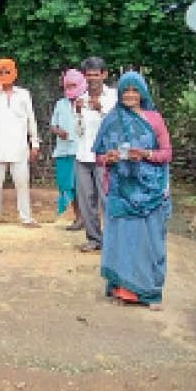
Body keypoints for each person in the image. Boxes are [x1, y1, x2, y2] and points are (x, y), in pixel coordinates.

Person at [92, 71, 171, 309]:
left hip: (150, 190)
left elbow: (167, 153)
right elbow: (97, 157)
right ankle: (124, 290)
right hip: (121, 190)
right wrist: (110, 158)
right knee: (123, 240)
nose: (130, 95)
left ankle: (149, 292)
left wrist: (145, 154)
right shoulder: (111, 119)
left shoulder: (154, 119)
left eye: (135, 90)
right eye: (125, 90)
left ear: (143, 93)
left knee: (149, 242)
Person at [0, 58, 40, 228]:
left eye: (7, 71)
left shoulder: (23, 94)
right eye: (0, 72)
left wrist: (35, 143)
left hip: (19, 147)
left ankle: (26, 218)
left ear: (14, 73)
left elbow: (31, 119)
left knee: (22, 183)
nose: (4, 75)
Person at [74, 57, 117, 252]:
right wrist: (77, 113)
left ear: (104, 75)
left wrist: (101, 110)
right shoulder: (80, 98)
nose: (92, 79)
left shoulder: (113, 97)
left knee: (107, 199)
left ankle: (112, 240)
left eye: (96, 75)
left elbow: (117, 125)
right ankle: (94, 239)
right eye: (88, 75)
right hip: (83, 155)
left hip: (105, 157)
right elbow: (78, 131)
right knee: (86, 200)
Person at [50, 69, 85, 228]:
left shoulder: (86, 102)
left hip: (82, 152)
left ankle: (85, 218)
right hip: (63, 151)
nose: (70, 89)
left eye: (73, 85)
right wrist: (59, 132)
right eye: (67, 86)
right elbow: (53, 126)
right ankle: (78, 217)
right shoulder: (60, 103)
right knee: (68, 186)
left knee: (82, 187)